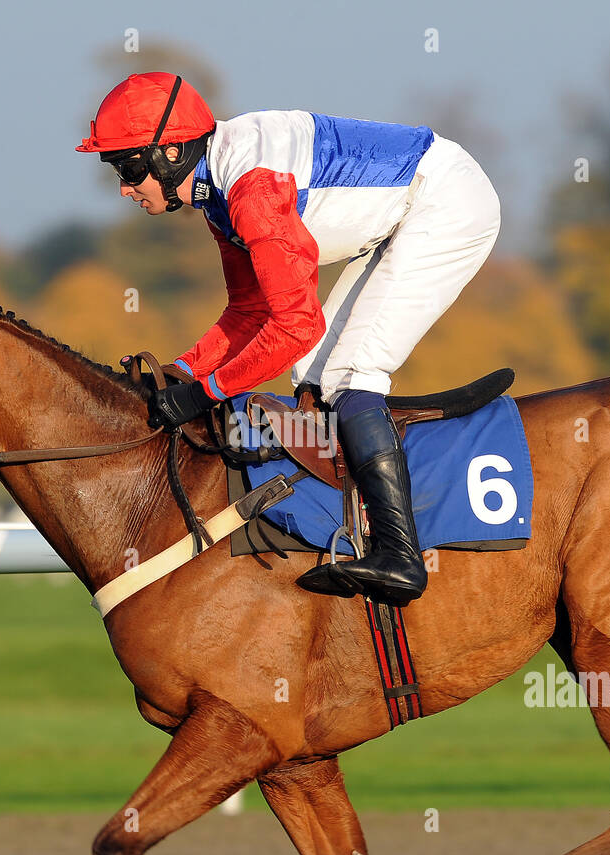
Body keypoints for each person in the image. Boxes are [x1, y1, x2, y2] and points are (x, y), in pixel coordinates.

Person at [77, 72, 501, 607]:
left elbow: (297, 325)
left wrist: (206, 392)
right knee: (315, 379)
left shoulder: (250, 191)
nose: (124, 186)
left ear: (173, 152)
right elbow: (251, 309)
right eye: (117, 168)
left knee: (350, 374)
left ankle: (400, 555)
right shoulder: (216, 188)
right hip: (410, 205)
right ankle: (350, 525)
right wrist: (184, 371)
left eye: (131, 166)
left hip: (446, 203)